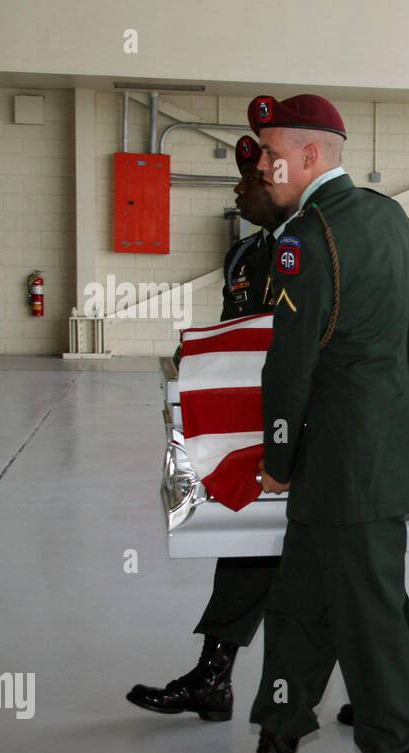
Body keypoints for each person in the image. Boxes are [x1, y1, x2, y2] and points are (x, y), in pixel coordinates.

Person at [174, 94, 409, 753]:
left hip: (339, 468)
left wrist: (280, 459)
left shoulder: (304, 237)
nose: (261, 164)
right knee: (298, 614)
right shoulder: (391, 220)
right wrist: (405, 431)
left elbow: (288, 369)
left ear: (312, 156)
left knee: (372, 624)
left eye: (269, 152)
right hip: (371, 457)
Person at [127, 135, 290, 721]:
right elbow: (230, 336)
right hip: (251, 435)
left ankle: (406, 682)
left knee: (352, 566)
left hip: (310, 432)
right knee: (250, 545)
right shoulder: (244, 257)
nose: (239, 192)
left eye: (248, 182)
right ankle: (212, 677)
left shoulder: (317, 247)